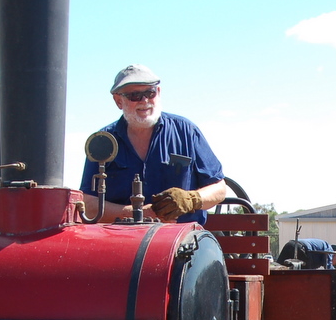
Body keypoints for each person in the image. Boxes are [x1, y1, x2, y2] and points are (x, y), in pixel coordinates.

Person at [80, 64, 228, 224]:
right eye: (134, 96)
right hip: (122, 241)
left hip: (184, 243)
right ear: (118, 101)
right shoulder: (102, 142)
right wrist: (137, 213)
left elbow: (219, 189)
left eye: (149, 93)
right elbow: (88, 204)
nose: (144, 101)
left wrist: (191, 199)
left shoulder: (186, 131)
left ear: (158, 93)